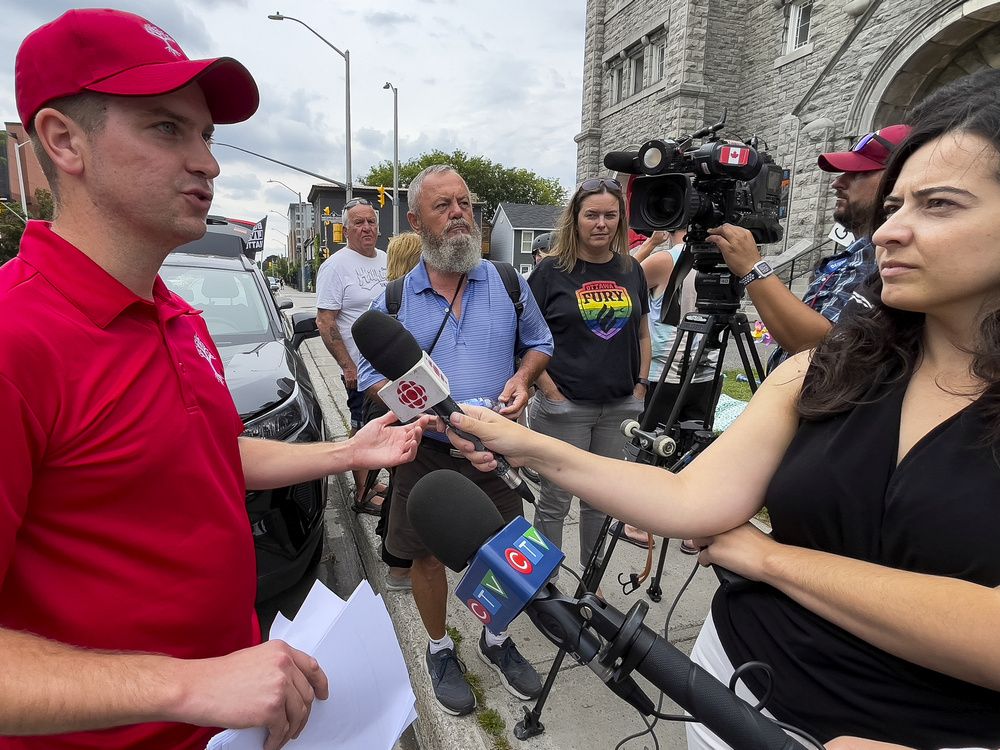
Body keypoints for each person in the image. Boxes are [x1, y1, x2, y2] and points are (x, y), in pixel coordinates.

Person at [445, 68, 1000, 749]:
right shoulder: (824, 368)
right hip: (724, 695)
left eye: (938, 205)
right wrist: (524, 443)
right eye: (893, 207)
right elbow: (690, 500)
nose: (890, 233)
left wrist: (771, 561)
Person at [0, 10, 430, 750]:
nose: (209, 162)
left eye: (205, 135)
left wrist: (347, 454)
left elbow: (209, 456)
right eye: (167, 130)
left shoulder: (176, 318)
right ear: (63, 141)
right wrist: (190, 684)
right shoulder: (16, 340)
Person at [355, 165, 554, 716]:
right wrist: (428, 420)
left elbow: (539, 343)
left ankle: (493, 639)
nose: (460, 213)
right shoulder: (395, 300)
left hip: (497, 453)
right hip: (427, 456)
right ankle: (441, 649)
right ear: (417, 221)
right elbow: (370, 378)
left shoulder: (509, 282)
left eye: (465, 203)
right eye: (444, 206)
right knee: (423, 556)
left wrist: (523, 378)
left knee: (507, 555)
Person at [527, 177, 651, 568]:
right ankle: (543, 583)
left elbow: (643, 334)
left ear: (620, 220)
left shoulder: (632, 270)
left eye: (610, 215)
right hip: (566, 409)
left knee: (601, 500)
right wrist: (549, 391)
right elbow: (524, 338)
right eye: (591, 214)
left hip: (619, 407)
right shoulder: (550, 273)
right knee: (555, 500)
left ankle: (590, 583)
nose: (601, 223)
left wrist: (640, 387)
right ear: (575, 219)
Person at [713, 124, 910, 371]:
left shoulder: (886, 258)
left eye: (859, 173)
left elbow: (818, 347)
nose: (838, 183)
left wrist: (752, 268)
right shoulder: (856, 255)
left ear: (900, 181)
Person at [316, 198, 389, 514]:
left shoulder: (385, 259)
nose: (367, 228)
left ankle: (373, 481)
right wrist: (348, 366)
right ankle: (361, 493)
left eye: (371, 221)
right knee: (362, 429)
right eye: (358, 223)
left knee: (385, 427)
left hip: (389, 367)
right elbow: (325, 321)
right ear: (344, 229)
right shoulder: (335, 266)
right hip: (360, 370)